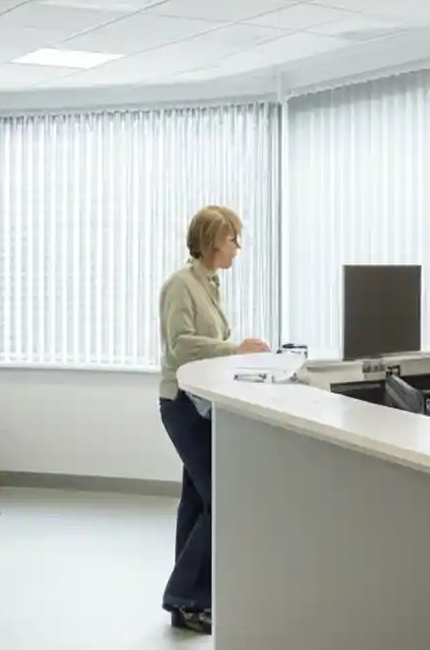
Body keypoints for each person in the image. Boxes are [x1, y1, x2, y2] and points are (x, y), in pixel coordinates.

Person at [158, 206, 270, 634]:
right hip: (182, 406)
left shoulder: (208, 284)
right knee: (221, 498)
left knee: (197, 500)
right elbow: (181, 345)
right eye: (233, 240)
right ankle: (184, 595)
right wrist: (235, 350)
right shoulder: (180, 286)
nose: (237, 248)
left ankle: (186, 601)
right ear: (211, 242)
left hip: (202, 402)